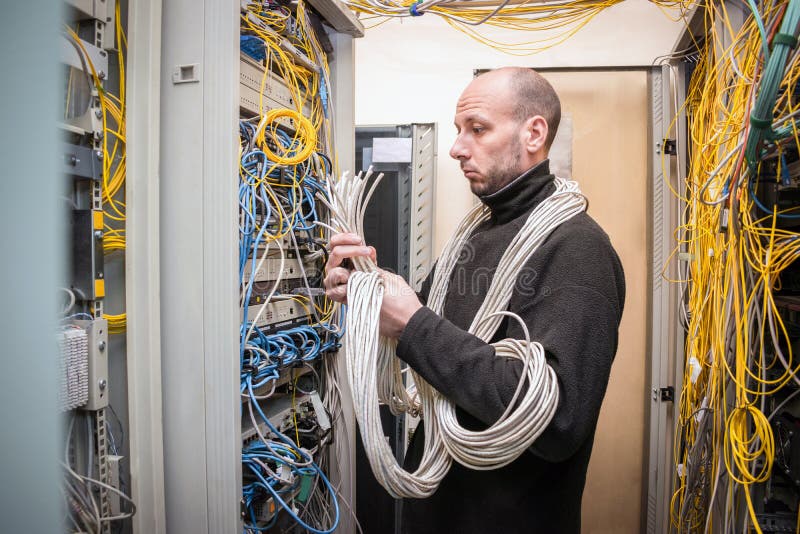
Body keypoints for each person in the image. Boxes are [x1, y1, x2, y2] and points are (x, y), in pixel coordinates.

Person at [324, 67, 625, 534]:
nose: (457, 147)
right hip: (436, 511)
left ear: (534, 132)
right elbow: (430, 327)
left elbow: (558, 419)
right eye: (458, 130)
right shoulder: (476, 234)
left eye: (477, 129)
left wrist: (412, 324)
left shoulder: (577, 250)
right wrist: (367, 286)